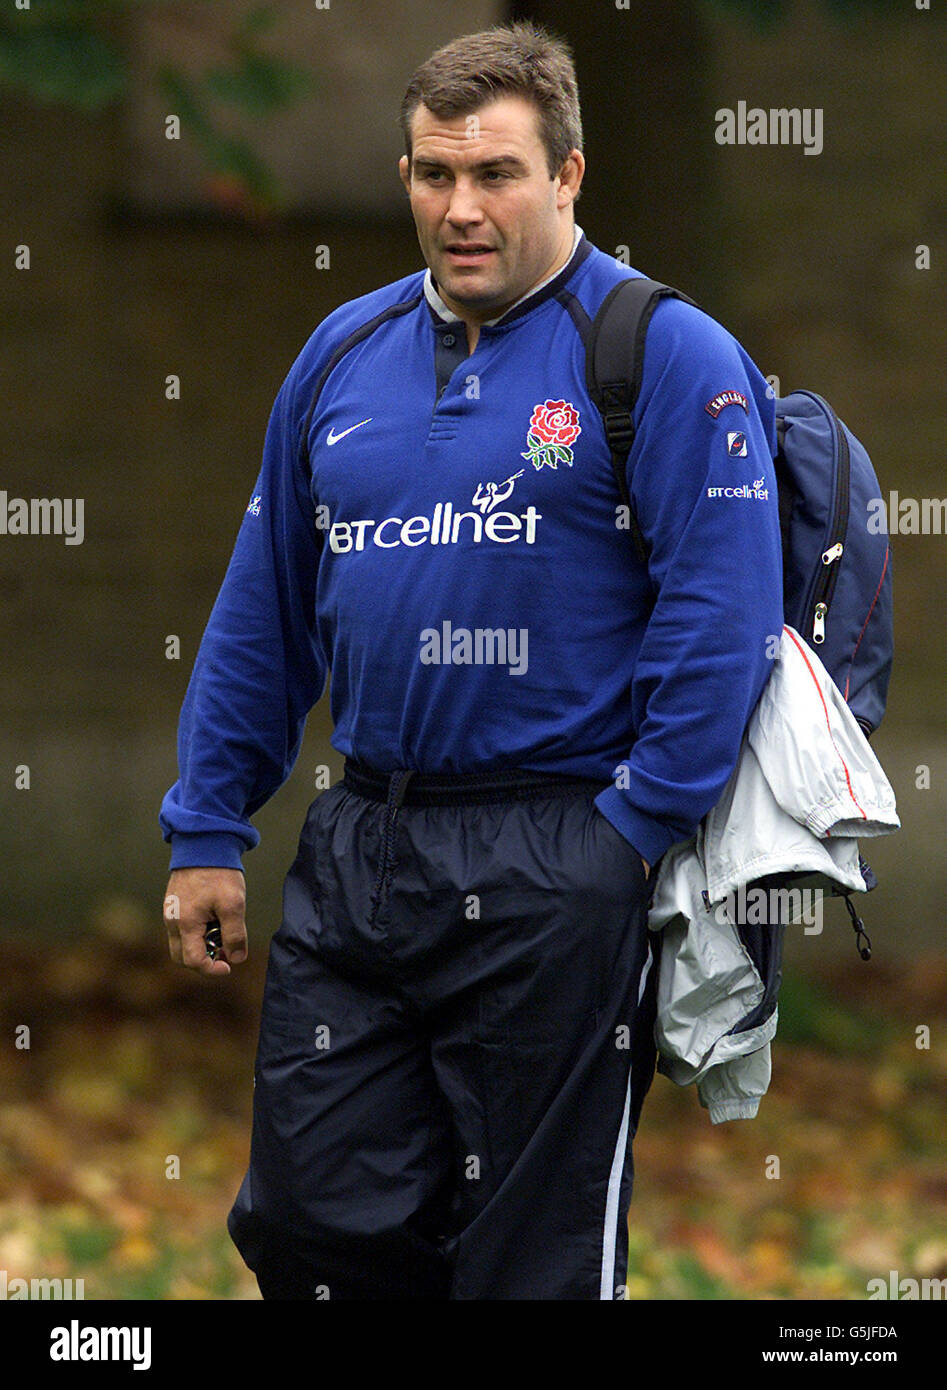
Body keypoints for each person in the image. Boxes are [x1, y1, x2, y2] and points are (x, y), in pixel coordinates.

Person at [160, 20, 783, 1300]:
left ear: (566, 175)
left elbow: (720, 616)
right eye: (432, 174)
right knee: (311, 1226)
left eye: (494, 173)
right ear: (403, 178)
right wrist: (207, 824)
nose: (460, 207)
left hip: (560, 851)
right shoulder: (339, 355)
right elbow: (263, 607)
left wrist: (629, 833)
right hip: (362, 850)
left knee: (527, 1262)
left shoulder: (660, 353)